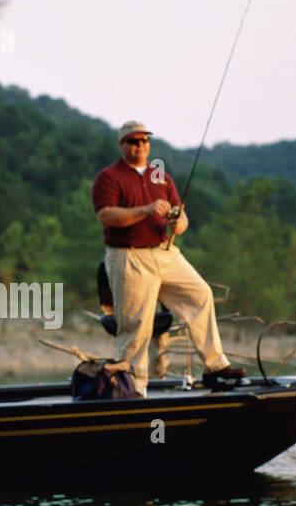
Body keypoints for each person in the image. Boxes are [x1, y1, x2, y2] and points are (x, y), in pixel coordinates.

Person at [92, 120, 246, 396]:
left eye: (144, 141)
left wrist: (180, 224)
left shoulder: (160, 177)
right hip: (129, 258)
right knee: (136, 326)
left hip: (164, 253)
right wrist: (146, 210)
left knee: (200, 295)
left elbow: (180, 215)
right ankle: (134, 388)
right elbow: (107, 216)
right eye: (133, 141)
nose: (140, 145)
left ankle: (215, 367)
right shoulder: (109, 177)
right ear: (122, 145)